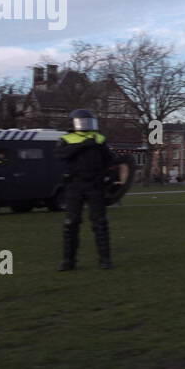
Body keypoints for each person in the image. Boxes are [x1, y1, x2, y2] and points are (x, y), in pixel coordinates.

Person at [55, 109, 118, 271]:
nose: (86, 125)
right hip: (74, 185)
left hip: (95, 185)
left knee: (100, 223)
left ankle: (105, 259)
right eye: (82, 121)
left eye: (88, 122)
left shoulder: (99, 138)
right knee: (71, 223)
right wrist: (82, 145)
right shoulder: (66, 139)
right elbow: (60, 155)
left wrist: (112, 175)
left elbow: (110, 159)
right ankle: (69, 260)